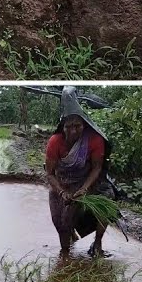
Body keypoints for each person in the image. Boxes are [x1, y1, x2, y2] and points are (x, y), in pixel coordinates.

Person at [45, 100, 113, 259]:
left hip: (87, 182)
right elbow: (49, 173)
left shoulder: (94, 140)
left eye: (78, 126)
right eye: (69, 126)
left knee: (107, 205)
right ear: (63, 127)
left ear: (84, 125)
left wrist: (84, 189)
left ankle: (97, 243)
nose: (74, 130)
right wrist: (61, 192)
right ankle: (65, 253)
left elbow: (97, 168)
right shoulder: (55, 142)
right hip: (61, 183)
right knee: (60, 223)